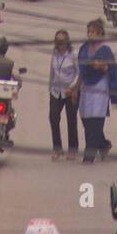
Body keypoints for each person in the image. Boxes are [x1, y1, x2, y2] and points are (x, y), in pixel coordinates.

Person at [75, 18, 117, 163]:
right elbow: (82, 70)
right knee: (86, 120)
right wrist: (76, 88)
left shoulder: (105, 50)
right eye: (89, 32)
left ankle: (89, 156)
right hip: (86, 89)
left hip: (100, 89)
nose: (90, 34)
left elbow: (109, 68)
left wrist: (101, 67)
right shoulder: (84, 49)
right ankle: (104, 145)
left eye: (93, 32)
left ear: (100, 34)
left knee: (96, 121)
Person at [48, 30, 79, 160]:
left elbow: (78, 74)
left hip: (70, 92)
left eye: (62, 43)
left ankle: (72, 149)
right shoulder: (54, 54)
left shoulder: (73, 55)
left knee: (71, 120)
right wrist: (50, 88)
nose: (60, 45)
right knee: (53, 118)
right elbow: (52, 72)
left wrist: (72, 88)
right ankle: (57, 148)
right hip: (56, 92)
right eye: (58, 42)